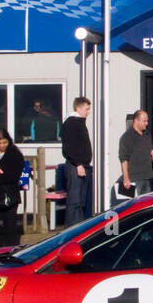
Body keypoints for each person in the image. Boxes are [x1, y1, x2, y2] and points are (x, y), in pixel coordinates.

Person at [62, 96, 93, 224]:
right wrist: (78, 164)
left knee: (81, 201)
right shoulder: (71, 123)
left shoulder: (80, 122)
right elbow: (70, 147)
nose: (88, 112)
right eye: (86, 109)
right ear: (78, 108)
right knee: (74, 201)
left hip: (82, 165)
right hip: (76, 166)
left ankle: (79, 229)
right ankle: (70, 231)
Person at [118, 109, 153, 198]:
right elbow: (124, 159)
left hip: (147, 176)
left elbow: (152, 149)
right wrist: (126, 178)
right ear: (136, 121)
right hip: (134, 178)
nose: (147, 123)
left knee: (147, 203)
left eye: (147, 121)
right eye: (144, 121)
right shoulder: (126, 137)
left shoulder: (147, 134)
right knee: (133, 205)